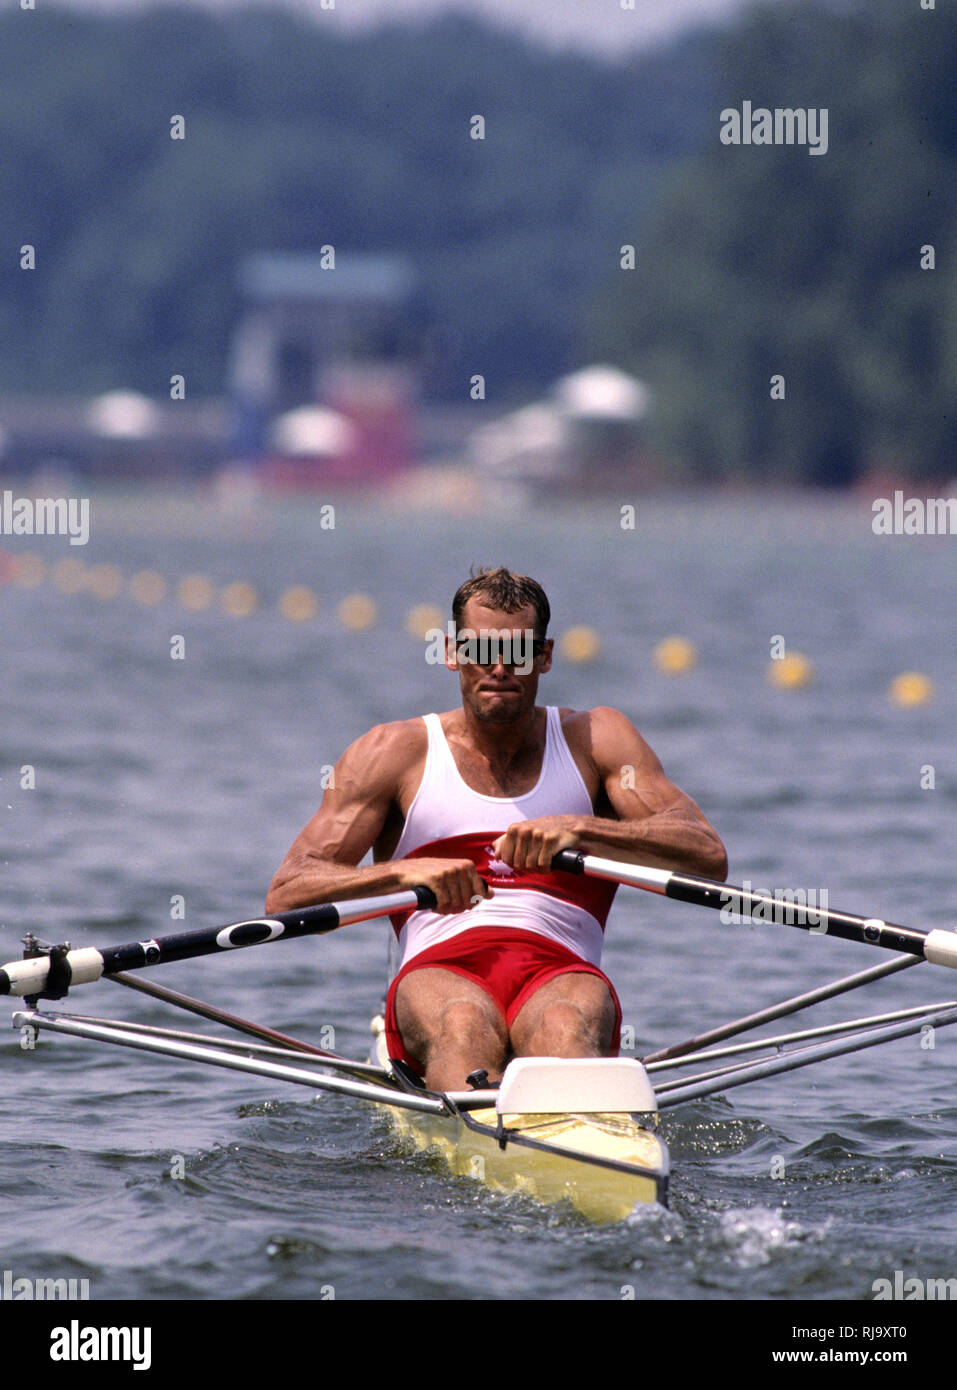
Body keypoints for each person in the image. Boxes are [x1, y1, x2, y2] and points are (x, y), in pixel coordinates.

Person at [267, 567, 727, 1091]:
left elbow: (705, 853)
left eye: (520, 651)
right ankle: (488, 1144)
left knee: (564, 1025)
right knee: (462, 1022)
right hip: (441, 968)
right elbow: (287, 893)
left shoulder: (597, 740)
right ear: (451, 651)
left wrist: (582, 828)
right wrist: (404, 873)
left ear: (546, 656)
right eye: (482, 651)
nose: (501, 668)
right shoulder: (394, 752)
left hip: (558, 970)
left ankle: (574, 1141)